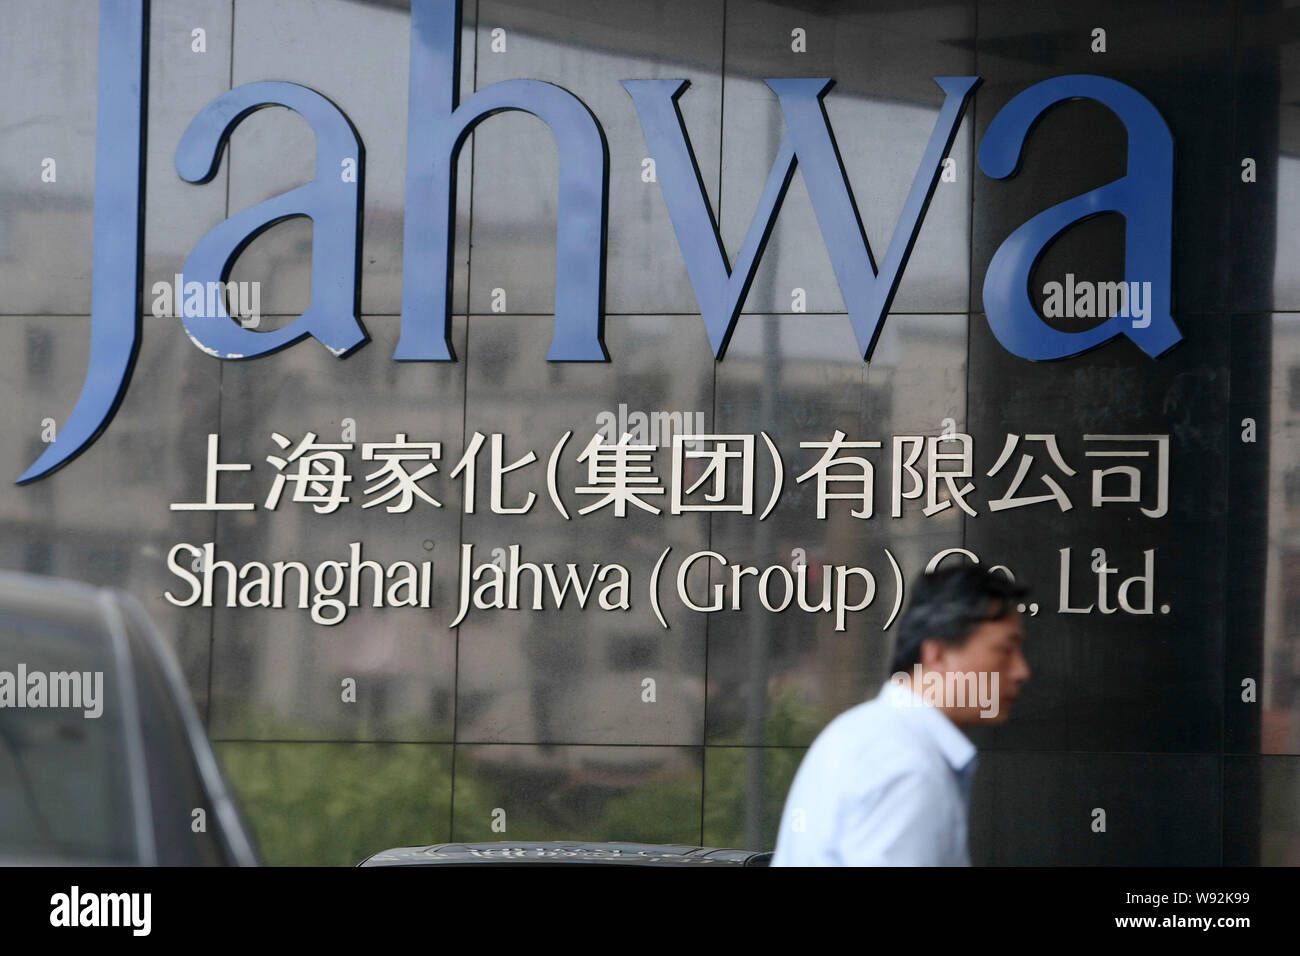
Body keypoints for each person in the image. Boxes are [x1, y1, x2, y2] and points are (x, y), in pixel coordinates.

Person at [771, 564, 1031, 866]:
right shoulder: (908, 767)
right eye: (1004, 650)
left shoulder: (861, 731)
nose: (1020, 671)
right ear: (937, 654)